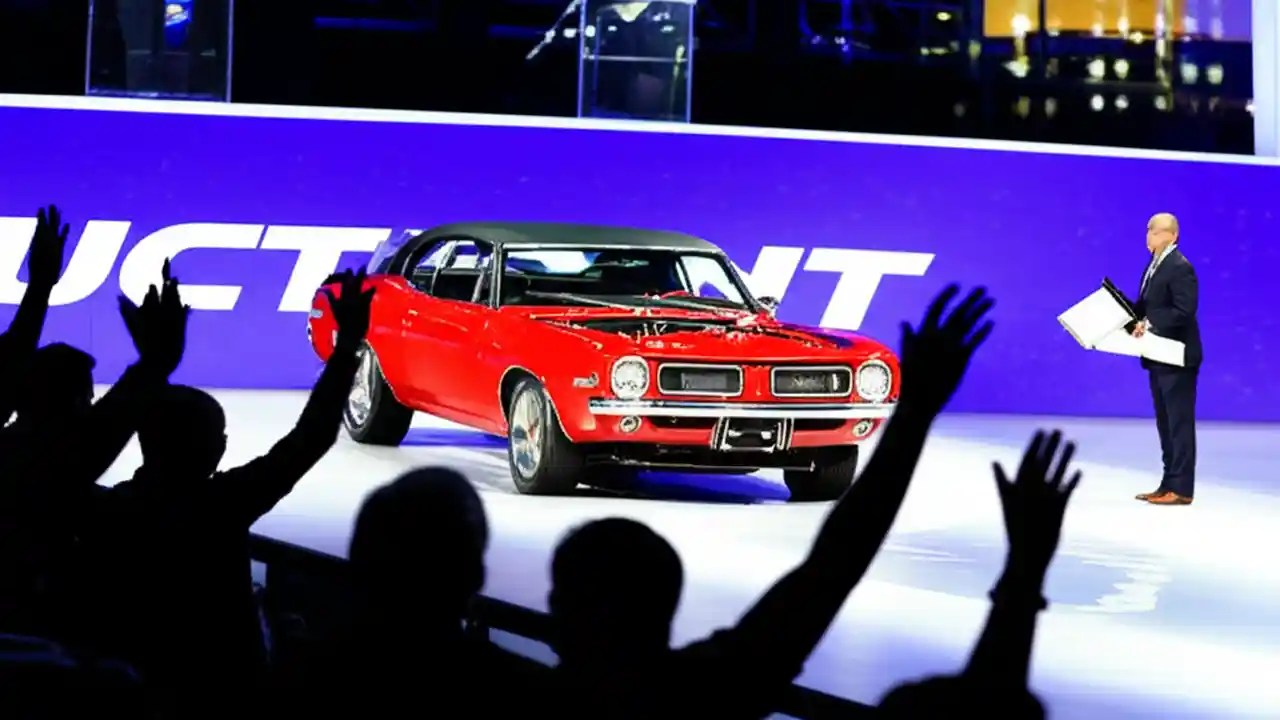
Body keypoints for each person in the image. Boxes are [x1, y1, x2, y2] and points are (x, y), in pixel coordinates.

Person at [1130, 213, 1201, 505]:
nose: (1148, 236)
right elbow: (1149, 304)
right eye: (1148, 230)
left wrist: (1150, 322)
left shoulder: (1179, 267)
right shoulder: (1155, 265)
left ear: (1171, 235)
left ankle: (1182, 488)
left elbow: (1184, 311)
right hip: (1158, 355)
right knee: (1166, 423)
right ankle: (1167, 482)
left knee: (1179, 424)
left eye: (1154, 231)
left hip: (1177, 357)